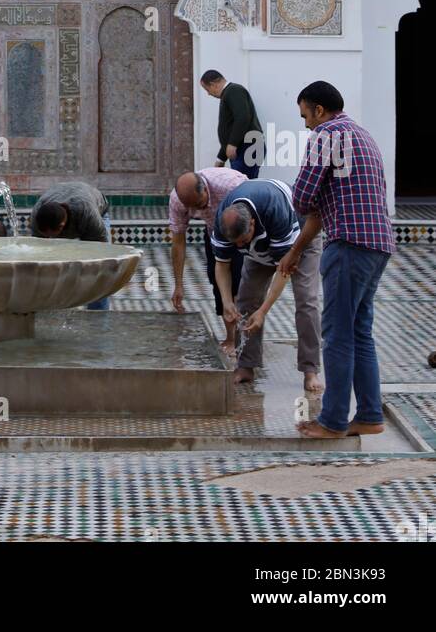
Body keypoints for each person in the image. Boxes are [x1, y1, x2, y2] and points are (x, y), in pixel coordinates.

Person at [283, 81, 394, 440]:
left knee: (338, 335)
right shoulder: (363, 135)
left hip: (348, 244)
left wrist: (312, 204)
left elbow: (301, 197)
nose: (305, 125)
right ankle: (369, 415)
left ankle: (331, 420)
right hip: (379, 245)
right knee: (360, 331)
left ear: (318, 110)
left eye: (305, 115)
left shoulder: (326, 135)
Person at [211, 177, 322, 392]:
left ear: (252, 223)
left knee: (306, 301)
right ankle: (246, 365)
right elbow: (221, 264)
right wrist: (226, 301)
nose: (240, 247)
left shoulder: (274, 208)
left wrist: (263, 310)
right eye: (236, 244)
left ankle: (310, 369)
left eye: (243, 241)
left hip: (300, 243)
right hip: (262, 248)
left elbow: (284, 269)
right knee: (245, 299)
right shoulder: (224, 220)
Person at [169, 167, 247, 353]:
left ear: (205, 189)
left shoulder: (231, 185)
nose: (197, 210)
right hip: (215, 233)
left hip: (241, 232)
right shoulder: (177, 201)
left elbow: (251, 216)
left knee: (241, 285)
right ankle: (231, 338)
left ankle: (244, 341)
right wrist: (179, 285)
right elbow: (178, 241)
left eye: (200, 204)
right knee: (218, 283)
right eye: (192, 208)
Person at [31, 181, 112, 310]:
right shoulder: (37, 215)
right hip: (64, 195)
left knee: (100, 273)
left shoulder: (87, 213)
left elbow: (101, 253)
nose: (50, 239)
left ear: (62, 227)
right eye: (46, 236)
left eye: (52, 235)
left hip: (98, 209)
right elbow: (37, 253)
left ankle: (97, 320)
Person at [200, 70, 263, 178]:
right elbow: (230, 130)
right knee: (242, 184)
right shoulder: (228, 94)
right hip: (244, 147)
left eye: (207, 89)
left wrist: (233, 143)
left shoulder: (234, 90)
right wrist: (221, 159)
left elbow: (243, 117)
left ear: (213, 84)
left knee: (243, 186)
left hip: (248, 146)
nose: (208, 94)